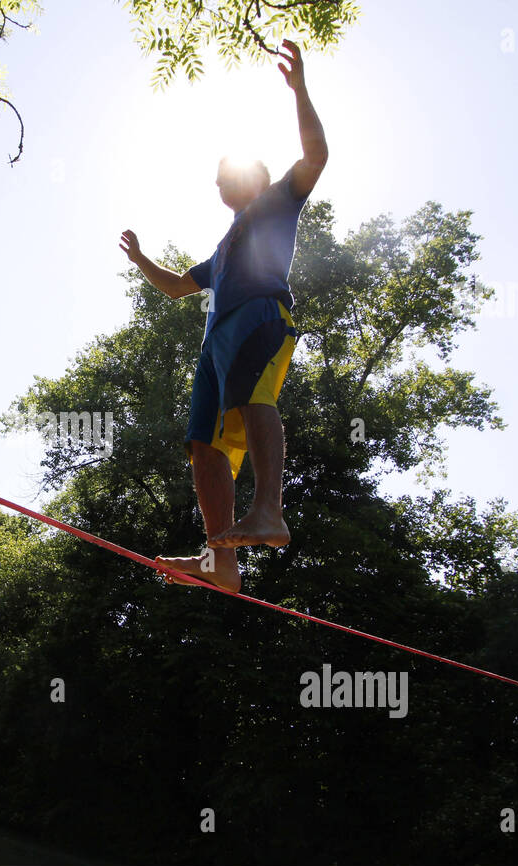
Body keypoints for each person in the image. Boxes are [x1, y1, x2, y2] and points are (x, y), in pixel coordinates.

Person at [119, 39, 327, 593]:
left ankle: (270, 511)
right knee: (202, 446)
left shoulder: (280, 198)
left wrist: (300, 90)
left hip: (260, 317)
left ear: (253, 177)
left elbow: (316, 157)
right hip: (214, 346)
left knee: (252, 398)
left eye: (224, 175)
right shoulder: (221, 248)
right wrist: (141, 259)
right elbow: (172, 289)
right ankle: (221, 562)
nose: (217, 184)